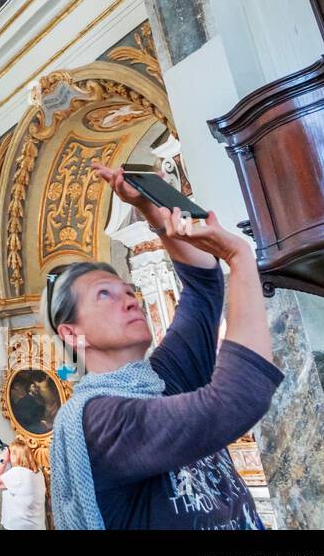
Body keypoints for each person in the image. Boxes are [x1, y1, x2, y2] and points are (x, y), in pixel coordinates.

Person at [47, 161, 284, 530]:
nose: (129, 300)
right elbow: (236, 400)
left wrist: (148, 209)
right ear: (72, 334)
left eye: (129, 291)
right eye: (104, 295)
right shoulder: (99, 421)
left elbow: (204, 288)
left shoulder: (162, 379)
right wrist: (239, 258)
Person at [0, 439, 46, 530]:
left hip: (20, 527)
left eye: (12, 454)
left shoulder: (18, 473)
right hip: (37, 526)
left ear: (16, 455)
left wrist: (4, 460)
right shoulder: (38, 473)